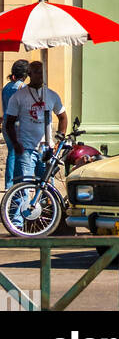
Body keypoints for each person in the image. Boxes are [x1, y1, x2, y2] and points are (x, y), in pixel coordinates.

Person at [4, 62, 67, 227]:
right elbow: (9, 122)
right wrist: (16, 143)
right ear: (29, 74)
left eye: (42, 72)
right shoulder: (19, 96)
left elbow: (63, 116)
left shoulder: (51, 95)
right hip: (26, 148)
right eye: (36, 72)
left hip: (46, 148)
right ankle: (16, 223)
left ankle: (48, 220)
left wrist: (59, 139)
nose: (40, 75)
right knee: (22, 185)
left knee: (47, 186)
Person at [2, 60, 30, 189]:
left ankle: (9, 183)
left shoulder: (6, 87)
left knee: (11, 153)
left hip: (6, 123)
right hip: (18, 125)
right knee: (17, 154)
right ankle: (14, 184)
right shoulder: (23, 88)